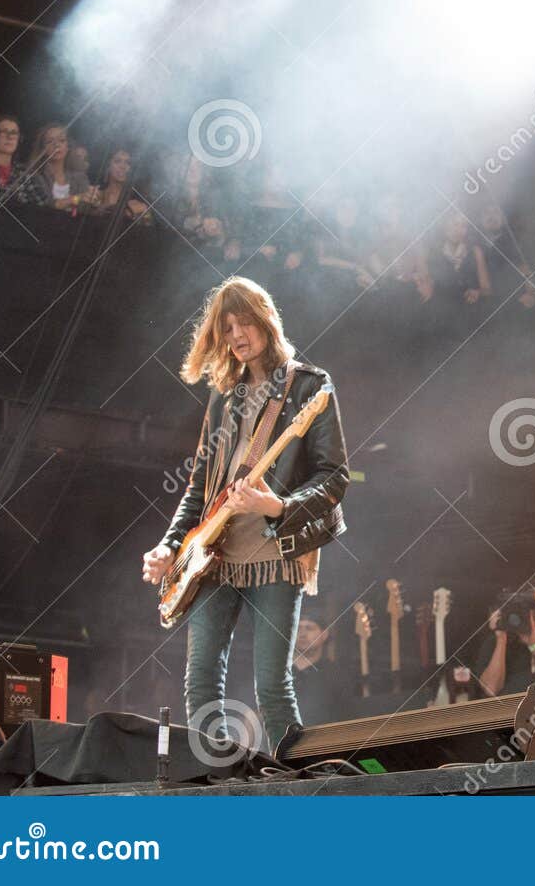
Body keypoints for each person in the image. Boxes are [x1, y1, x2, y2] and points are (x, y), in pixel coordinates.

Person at [141, 277, 349, 750]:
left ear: (267, 321)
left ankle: (293, 795)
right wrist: (169, 546)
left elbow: (335, 477)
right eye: (227, 327)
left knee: (273, 687)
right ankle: (214, 790)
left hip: (278, 555)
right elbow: (200, 484)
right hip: (213, 557)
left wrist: (277, 505)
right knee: (200, 684)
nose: (237, 335)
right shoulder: (224, 394)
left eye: (245, 322)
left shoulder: (310, 387)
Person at [472, 579, 535, 698]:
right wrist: (501, 639)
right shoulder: (494, 643)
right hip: (509, 716)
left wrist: (534, 646)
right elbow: (491, 689)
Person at [0, 115, 49, 207]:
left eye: (14, 132)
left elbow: (41, 202)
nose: (10, 137)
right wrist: (22, 195)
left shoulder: (25, 170)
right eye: (4, 131)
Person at [30, 124, 89, 211]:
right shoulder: (36, 176)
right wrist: (75, 198)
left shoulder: (80, 178)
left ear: (67, 147)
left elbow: (84, 208)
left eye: (62, 140)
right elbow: (44, 205)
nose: (57, 145)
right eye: (50, 141)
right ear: (43, 149)